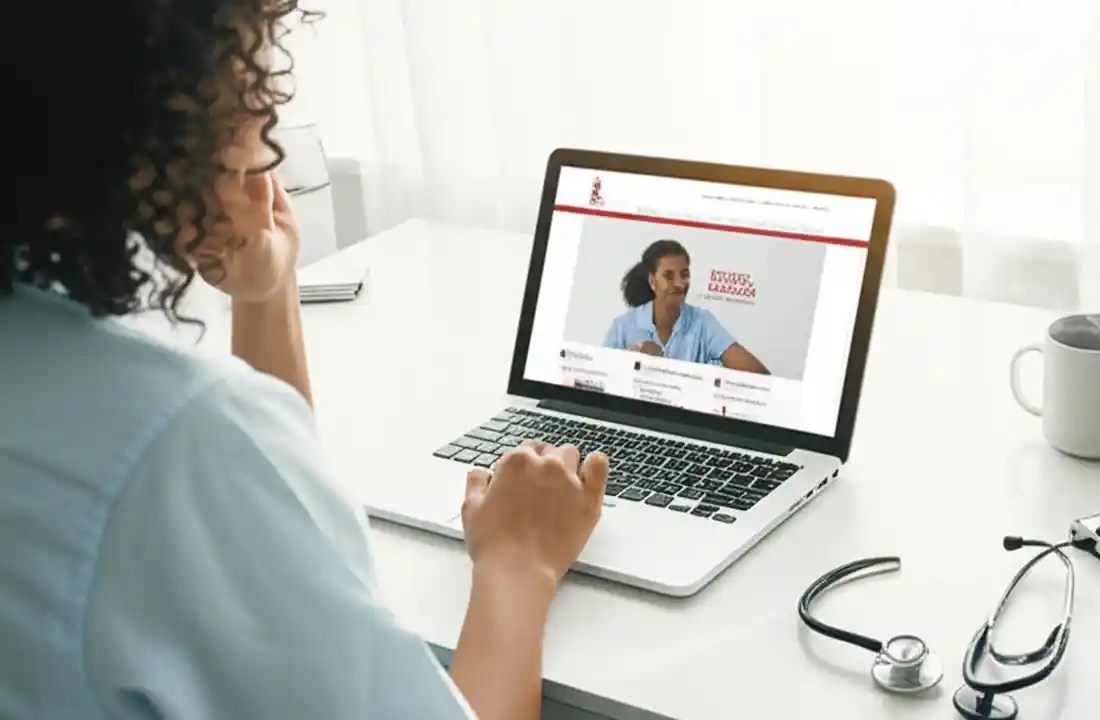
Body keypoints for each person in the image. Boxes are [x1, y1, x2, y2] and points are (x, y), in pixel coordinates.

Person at [0, 4, 606, 719]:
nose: (269, 125)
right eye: (252, 77)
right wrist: (518, 563)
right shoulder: (169, 449)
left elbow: (271, 557)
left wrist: (266, 296)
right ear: (157, 107)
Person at [603, 240, 770, 374]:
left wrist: (663, 361)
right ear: (652, 281)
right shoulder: (622, 328)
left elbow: (759, 375)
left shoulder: (702, 322)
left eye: (684, 275)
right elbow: (599, 384)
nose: (679, 284)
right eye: (668, 276)